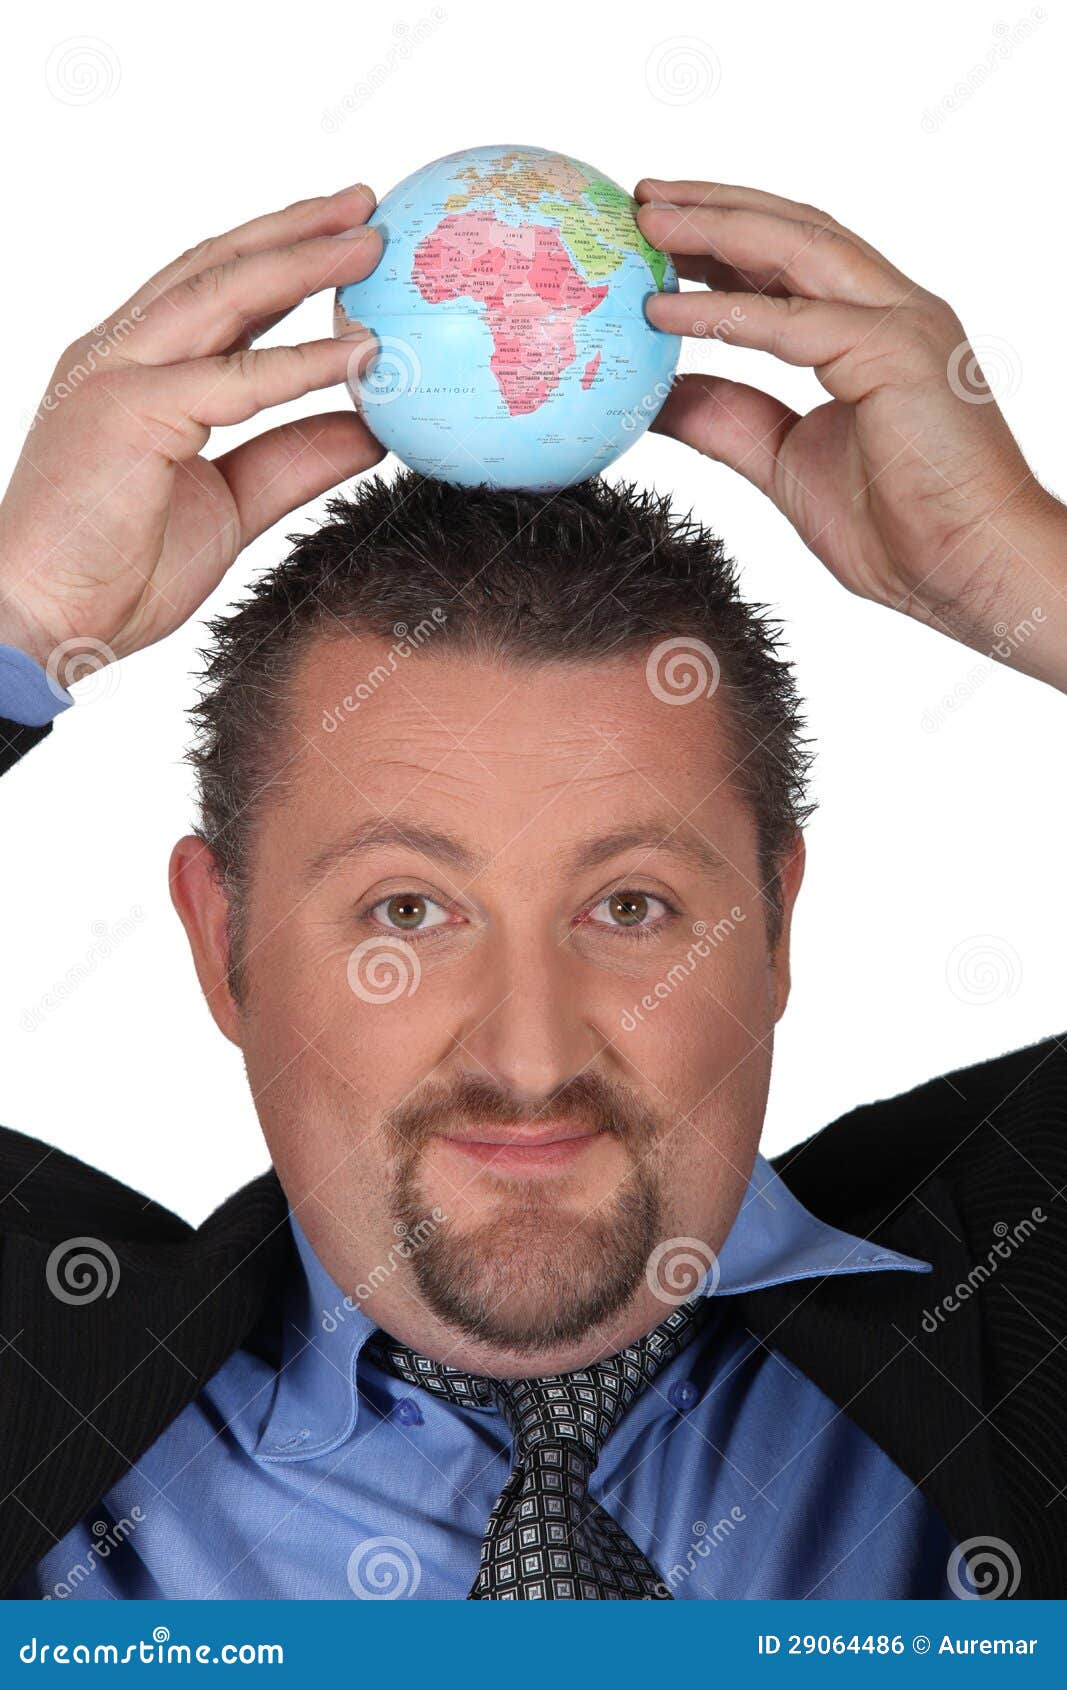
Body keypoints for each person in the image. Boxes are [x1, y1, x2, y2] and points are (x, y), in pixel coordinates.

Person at [0, 178, 1064, 1602]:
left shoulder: (1023, 1287)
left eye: (630, 908)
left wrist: (1030, 576)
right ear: (223, 938)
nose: (529, 1055)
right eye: (407, 911)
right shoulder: (37, 1373)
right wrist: (14, 622)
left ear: (776, 925)